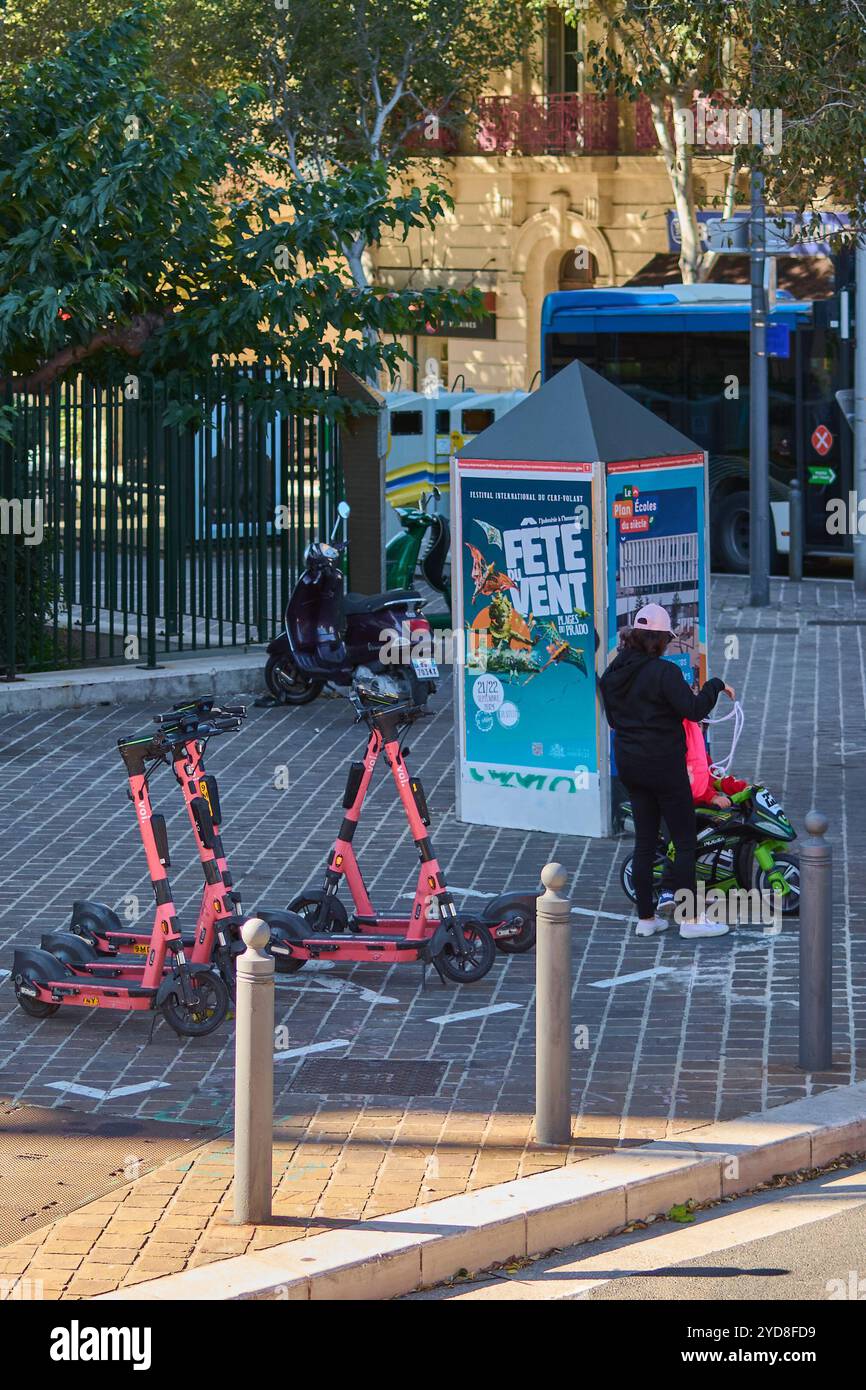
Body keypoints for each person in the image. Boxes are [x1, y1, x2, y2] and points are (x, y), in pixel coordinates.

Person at [600, 603, 735, 940]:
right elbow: (694, 709)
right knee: (685, 841)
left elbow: (614, 720)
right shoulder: (664, 673)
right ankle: (690, 921)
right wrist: (715, 684)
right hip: (664, 766)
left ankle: (646, 919)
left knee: (645, 842)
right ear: (660, 639)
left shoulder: (612, 674)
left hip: (630, 765)